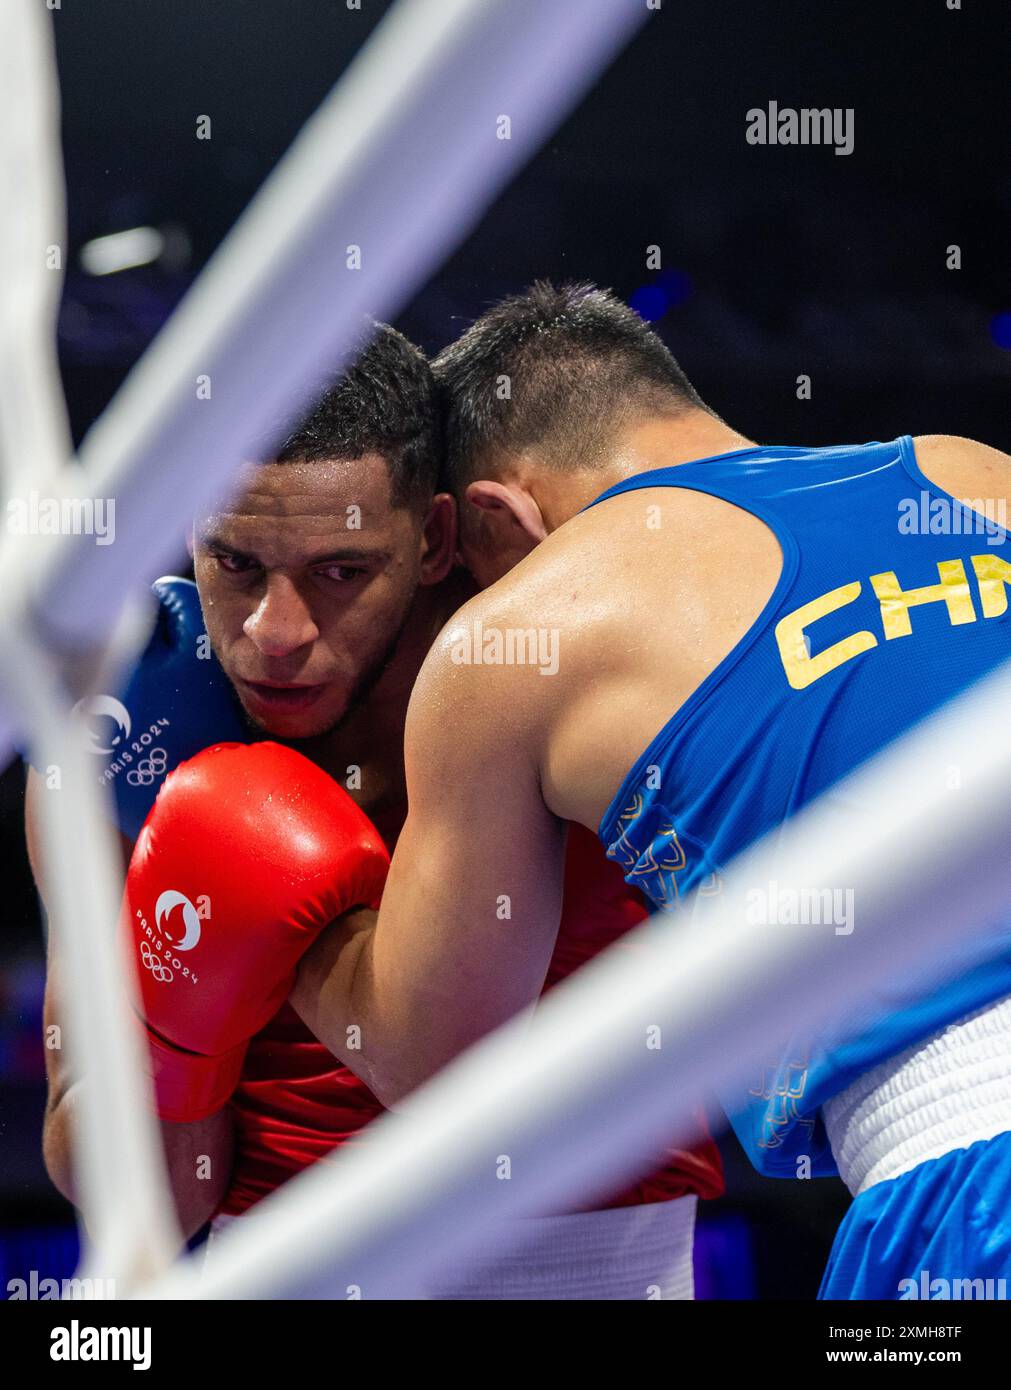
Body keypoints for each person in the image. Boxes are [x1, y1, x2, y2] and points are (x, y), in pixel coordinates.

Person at [285, 282, 1011, 1299]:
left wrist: (278, 909)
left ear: (494, 516)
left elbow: (430, 1059)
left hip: (970, 1174)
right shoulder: (963, 470)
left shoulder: (524, 629)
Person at [27, 322, 722, 1301]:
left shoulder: (564, 663)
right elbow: (143, 1207)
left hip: (595, 1258)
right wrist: (178, 1019)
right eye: (236, 565)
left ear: (434, 539)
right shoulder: (125, 739)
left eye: (339, 572)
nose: (276, 632)